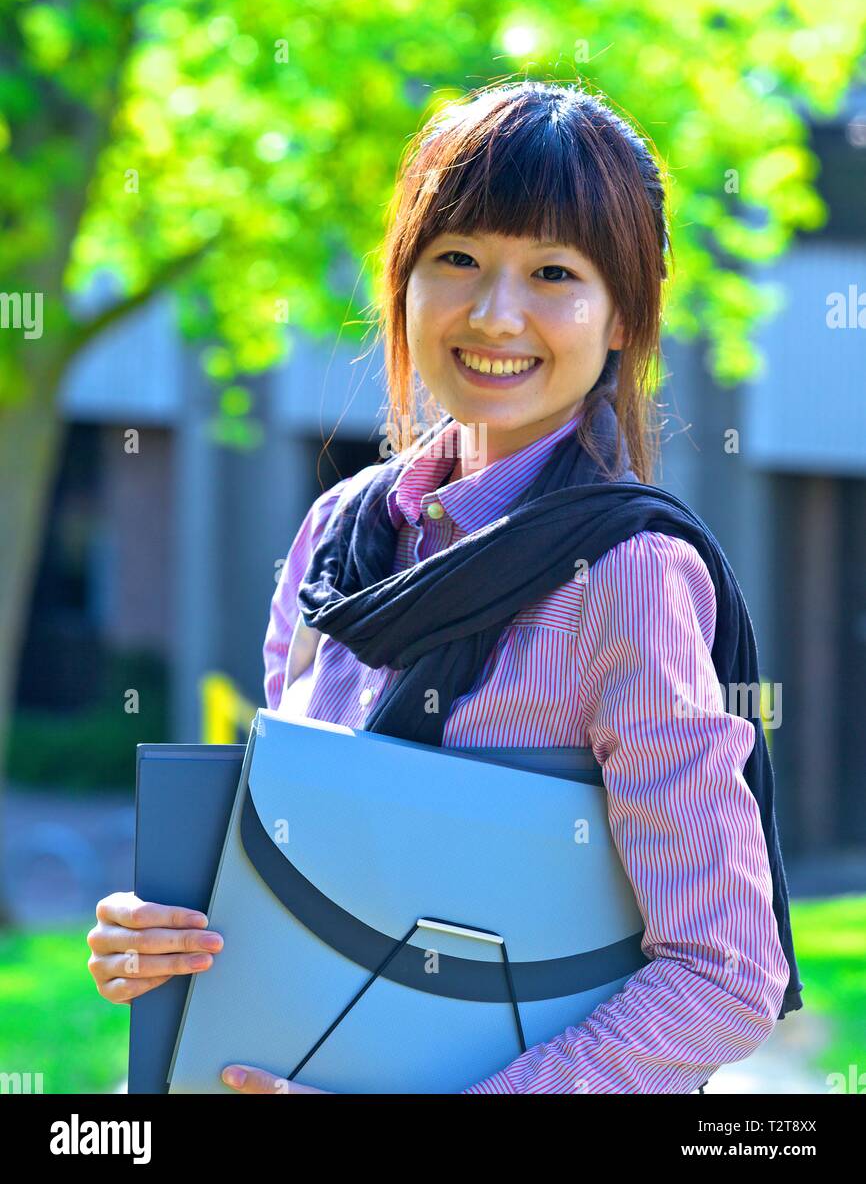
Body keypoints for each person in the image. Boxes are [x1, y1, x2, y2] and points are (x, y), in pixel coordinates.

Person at [87, 79, 801, 1095]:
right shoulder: (339, 536)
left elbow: (722, 974)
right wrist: (159, 944)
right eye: (456, 260)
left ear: (619, 321)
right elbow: (298, 868)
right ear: (402, 284)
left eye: (552, 271)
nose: (494, 312)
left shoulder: (626, 578)